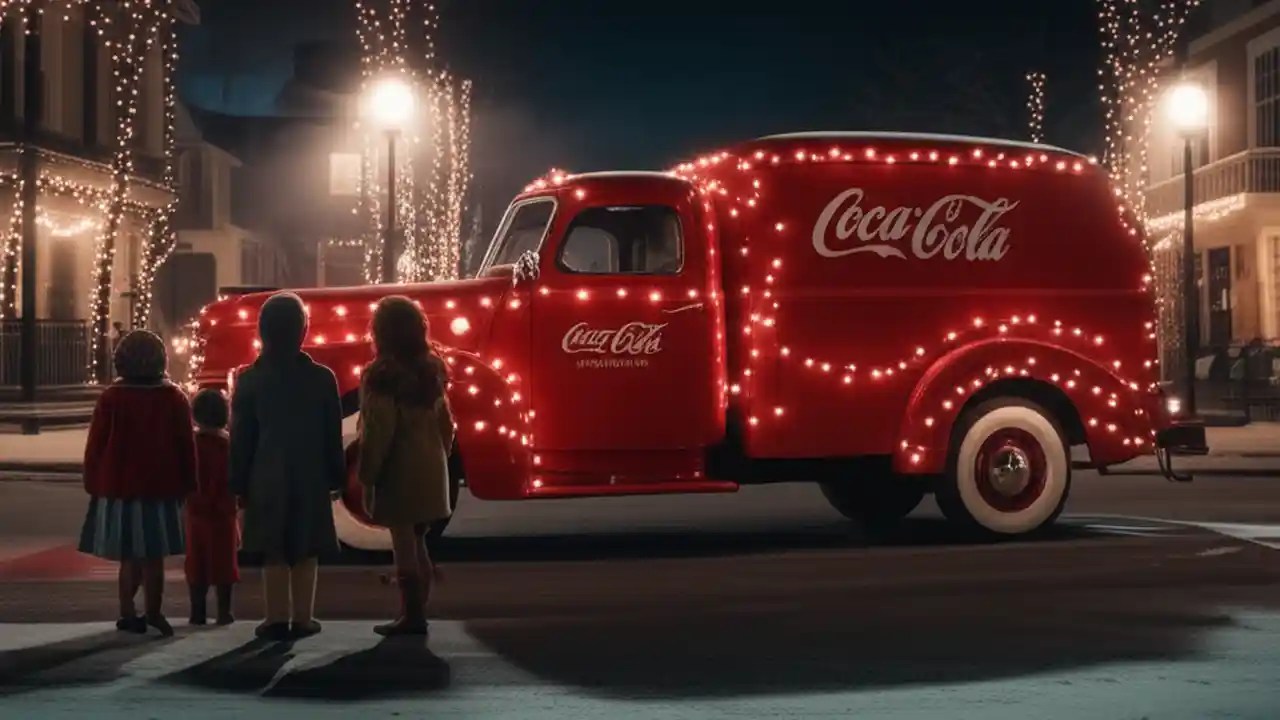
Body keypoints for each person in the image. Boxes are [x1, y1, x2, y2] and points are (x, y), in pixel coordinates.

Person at [229, 292, 345, 641]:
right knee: (306, 548)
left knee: (274, 548)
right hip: (310, 475)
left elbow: (241, 438)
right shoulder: (322, 379)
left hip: (265, 475)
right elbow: (332, 433)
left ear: (263, 331)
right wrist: (336, 475)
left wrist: (237, 483)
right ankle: (304, 617)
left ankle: (275, 617)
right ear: (303, 331)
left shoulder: (250, 380)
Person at [79, 330, 196, 638]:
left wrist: (92, 479)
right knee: (154, 555)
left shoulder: (111, 398)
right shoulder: (174, 398)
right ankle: (155, 612)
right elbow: (186, 445)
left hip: (120, 488)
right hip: (161, 489)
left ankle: (127, 612)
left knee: (129, 556)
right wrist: (189, 482)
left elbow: (97, 445)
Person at [358, 296, 455, 636]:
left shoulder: (381, 376)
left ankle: (411, 616)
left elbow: (377, 431)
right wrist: (441, 456)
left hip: (399, 472)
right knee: (419, 542)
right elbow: (447, 425)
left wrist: (367, 475)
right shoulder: (433, 369)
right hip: (432, 468)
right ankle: (419, 611)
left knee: (404, 546)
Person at [184, 388, 238, 626]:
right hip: (224, 514)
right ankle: (224, 612)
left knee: (197, 563)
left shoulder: (191, 445)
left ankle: (197, 611)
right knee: (225, 563)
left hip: (196, 513)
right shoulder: (229, 446)